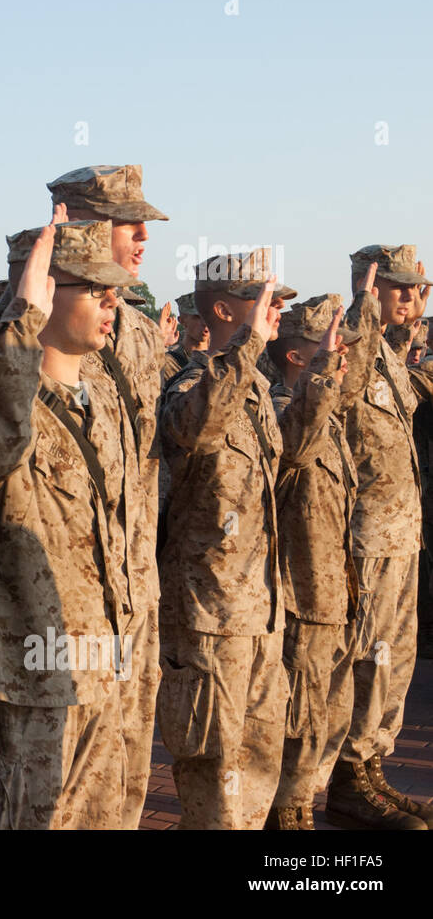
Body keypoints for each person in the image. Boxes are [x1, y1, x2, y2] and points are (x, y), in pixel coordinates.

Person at [0, 216, 133, 829]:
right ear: (46, 293)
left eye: (115, 292)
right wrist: (19, 318)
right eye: (96, 292)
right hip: (23, 679)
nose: (114, 304)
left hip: (96, 667)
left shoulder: (101, 395)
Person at [48, 163, 171, 828]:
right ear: (74, 223)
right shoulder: (35, 328)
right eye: (127, 223)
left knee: (127, 770)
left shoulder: (143, 334)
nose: (142, 237)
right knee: (62, 790)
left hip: (137, 586)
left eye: (144, 224)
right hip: (67, 606)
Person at [159, 249, 299, 829]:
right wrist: (244, 351)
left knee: (260, 760)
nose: (275, 312)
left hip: (260, 610)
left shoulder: (256, 390)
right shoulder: (192, 385)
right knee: (216, 769)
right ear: (222, 309)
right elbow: (196, 426)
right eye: (261, 300)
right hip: (209, 614)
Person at [326, 244, 433, 828]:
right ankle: (347, 776)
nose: (413, 299)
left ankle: (371, 768)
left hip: (400, 536)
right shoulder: (351, 347)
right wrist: (365, 309)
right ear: (370, 288)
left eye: (420, 288)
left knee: (397, 657)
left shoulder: (393, 360)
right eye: (401, 288)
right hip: (364, 538)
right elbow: (335, 396)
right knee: (367, 659)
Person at [264, 291, 373, 829]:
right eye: (326, 347)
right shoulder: (282, 412)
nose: (341, 356)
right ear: (294, 356)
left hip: (333, 595)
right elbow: (296, 447)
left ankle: (302, 805)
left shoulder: (327, 417)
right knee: (298, 721)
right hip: (299, 599)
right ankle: (287, 818)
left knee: (329, 717)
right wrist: (326, 375)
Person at [163, 292, 210, 385]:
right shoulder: (166, 364)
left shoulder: (220, 362)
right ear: (182, 320)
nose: (204, 323)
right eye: (197, 317)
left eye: (208, 316)